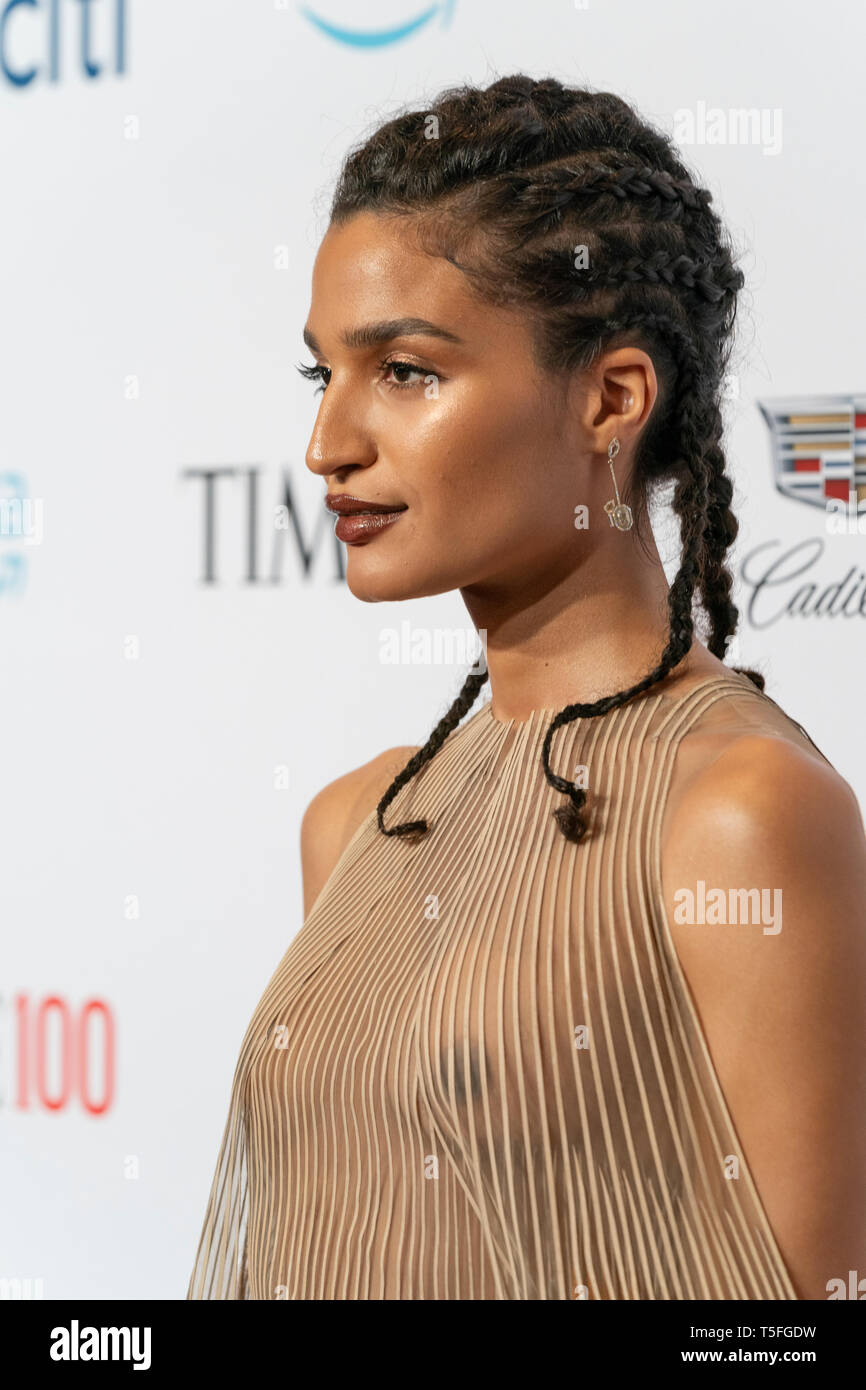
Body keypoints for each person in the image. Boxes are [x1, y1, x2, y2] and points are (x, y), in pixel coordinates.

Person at [186, 74, 866, 1300]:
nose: (327, 442)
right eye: (321, 376)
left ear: (609, 398)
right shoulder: (358, 821)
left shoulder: (740, 817)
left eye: (404, 370)